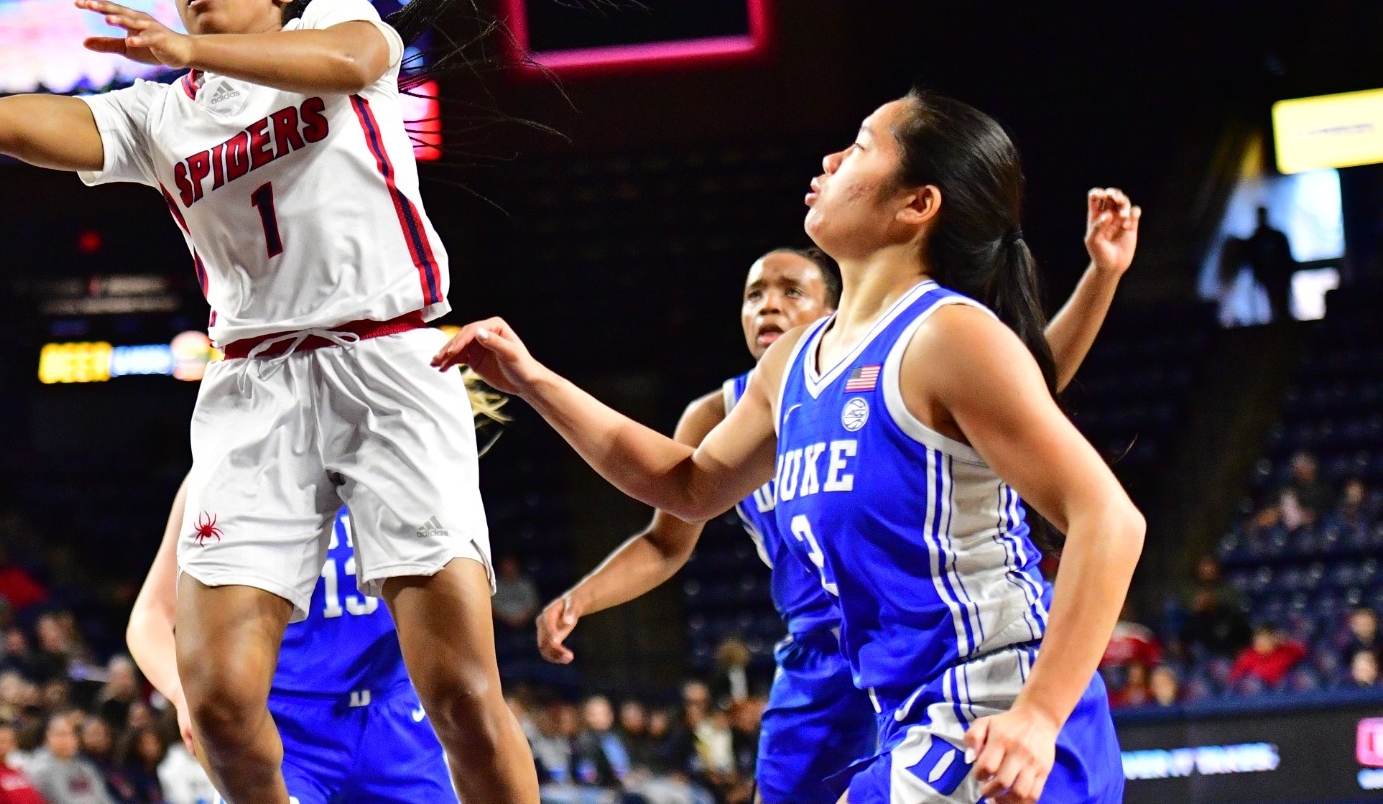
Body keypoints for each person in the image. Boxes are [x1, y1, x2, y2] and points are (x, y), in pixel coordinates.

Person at [0, 0, 617, 804]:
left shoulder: (341, 25)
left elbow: (349, 63)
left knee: (460, 695)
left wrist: (187, 49)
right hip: (256, 384)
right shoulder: (159, 116)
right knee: (216, 702)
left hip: (386, 359)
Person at [440, 92, 1146, 804]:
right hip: (911, 716)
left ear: (916, 204)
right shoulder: (792, 365)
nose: (832, 159)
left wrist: (1039, 716)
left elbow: (1111, 519)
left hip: (998, 719)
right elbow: (685, 486)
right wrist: (533, 380)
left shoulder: (946, 334)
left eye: (861, 146)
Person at [127, 492, 456, 804]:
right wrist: (183, 692)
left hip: (396, 722)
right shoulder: (227, 465)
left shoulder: (401, 459)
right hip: (281, 729)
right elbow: (150, 614)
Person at [1242, 206, 1296, 323]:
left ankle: (1282, 322)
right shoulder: (1261, 239)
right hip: (1273, 277)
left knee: (1280, 303)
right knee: (1277, 304)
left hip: (1278, 276)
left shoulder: (1263, 238)